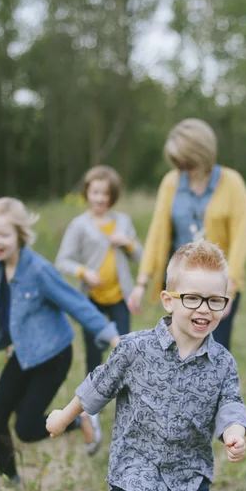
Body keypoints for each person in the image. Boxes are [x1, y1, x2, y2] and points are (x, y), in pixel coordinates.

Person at [48, 240, 246, 491]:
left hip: (190, 475)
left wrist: (233, 432)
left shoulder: (223, 361)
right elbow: (99, 386)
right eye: (193, 298)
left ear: (224, 305)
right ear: (168, 299)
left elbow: (231, 401)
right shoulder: (135, 348)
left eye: (215, 301)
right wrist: (63, 416)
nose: (203, 310)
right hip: (138, 469)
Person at [0, 197, 119, 491]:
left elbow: (76, 304)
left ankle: (79, 420)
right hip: (23, 355)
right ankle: (11, 485)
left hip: (53, 356)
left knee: (27, 429)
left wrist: (113, 337)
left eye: (3, 235)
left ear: (20, 235)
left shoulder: (39, 271)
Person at [127, 118, 246, 352]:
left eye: (187, 159)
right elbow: (157, 234)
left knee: (214, 353)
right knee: (178, 350)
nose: (182, 164)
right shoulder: (170, 183)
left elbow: (240, 240)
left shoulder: (232, 183)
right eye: (177, 160)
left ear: (202, 153)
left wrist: (229, 290)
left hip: (219, 283)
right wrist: (141, 282)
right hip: (182, 283)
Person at [55, 165, 142, 448]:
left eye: (105, 193)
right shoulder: (79, 225)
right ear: (87, 194)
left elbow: (139, 254)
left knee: (125, 352)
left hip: (119, 297)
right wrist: (83, 271)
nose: (100, 198)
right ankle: (90, 412)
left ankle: (127, 411)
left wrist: (127, 243)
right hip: (91, 300)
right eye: (95, 192)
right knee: (95, 356)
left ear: (112, 195)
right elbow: (62, 260)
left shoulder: (123, 221)